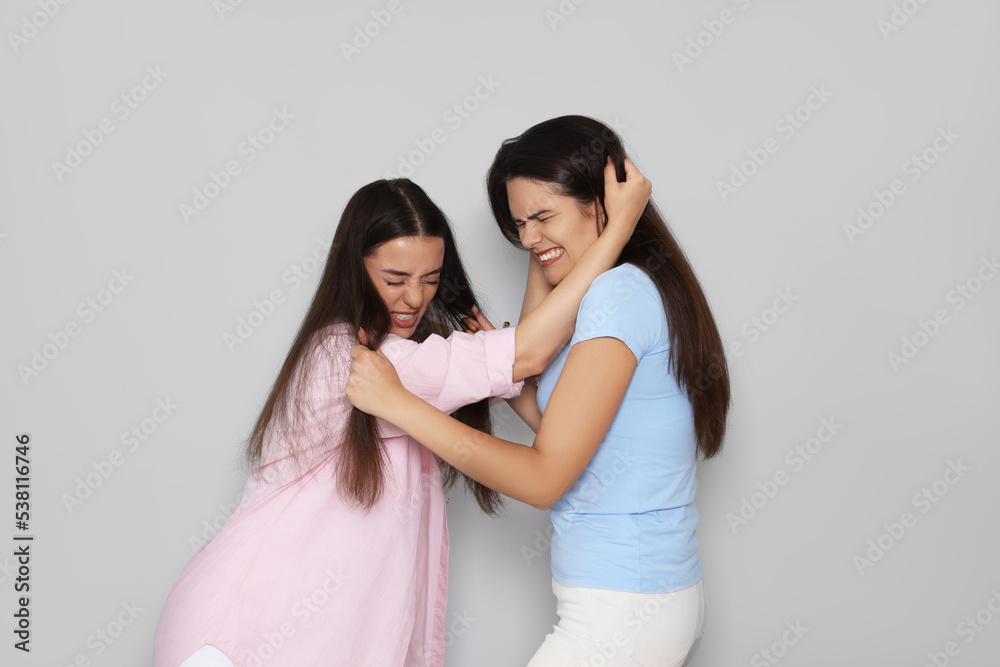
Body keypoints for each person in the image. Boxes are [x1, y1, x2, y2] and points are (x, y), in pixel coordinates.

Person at [152, 172, 649, 666]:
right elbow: (531, 351)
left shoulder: (400, 368)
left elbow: (527, 357)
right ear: (355, 270)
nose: (415, 298)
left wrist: (539, 254)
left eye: (430, 279)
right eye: (395, 280)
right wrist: (617, 228)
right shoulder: (352, 361)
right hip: (241, 638)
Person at [346, 116, 731, 666]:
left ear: (601, 201)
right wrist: (518, 389)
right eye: (518, 223)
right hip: (638, 598)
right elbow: (590, 436)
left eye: (543, 217)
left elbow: (547, 478)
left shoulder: (617, 296)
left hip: (623, 609)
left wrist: (398, 405)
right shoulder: (637, 285)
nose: (527, 239)